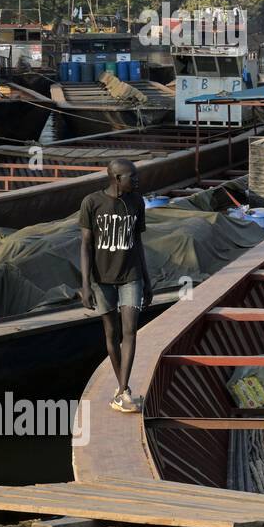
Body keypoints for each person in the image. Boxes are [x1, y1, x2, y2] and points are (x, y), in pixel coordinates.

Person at [79, 159, 151, 414]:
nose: (137, 181)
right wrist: (85, 284)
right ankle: (124, 388)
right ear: (116, 178)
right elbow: (86, 245)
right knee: (111, 333)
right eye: (132, 177)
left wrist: (147, 280)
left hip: (131, 276)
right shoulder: (91, 203)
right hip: (102, 280)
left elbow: (139, 243)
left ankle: (122, 391)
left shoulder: (137, 202)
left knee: (130, 330)